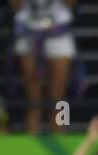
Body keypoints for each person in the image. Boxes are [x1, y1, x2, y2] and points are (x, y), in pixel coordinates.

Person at [11, 0, 77, 133]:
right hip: (28, 31)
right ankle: (31, 138)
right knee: (33, 98)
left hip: (59, 30)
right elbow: (14, 6)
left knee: (59, 99)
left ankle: (61, 135)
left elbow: (71, 3)